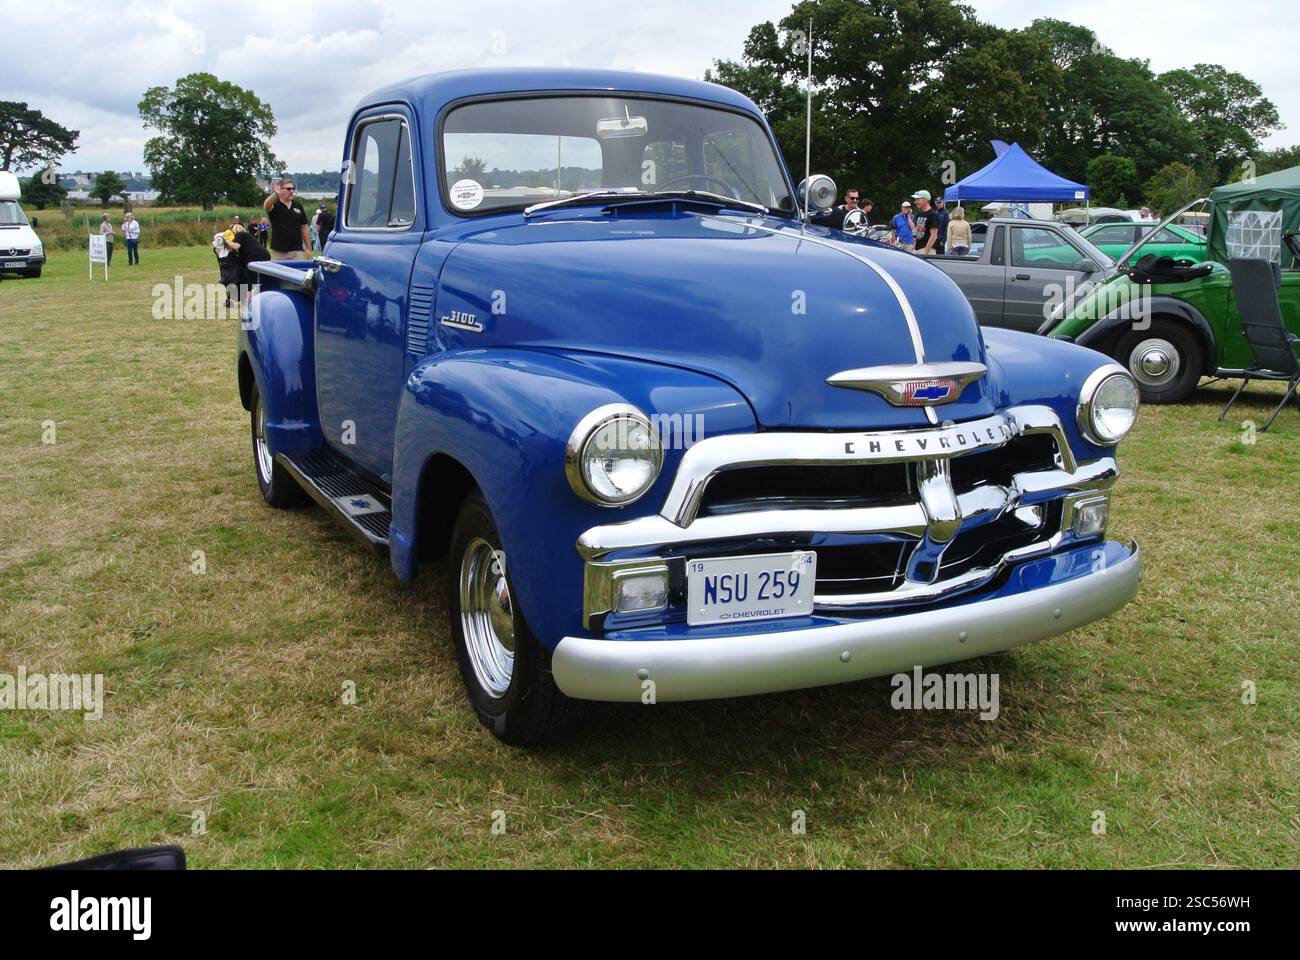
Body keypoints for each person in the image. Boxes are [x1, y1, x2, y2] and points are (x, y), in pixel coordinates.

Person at [262, 178, 311, 260]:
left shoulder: (298, 207)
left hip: (297, 251)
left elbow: (304, 228)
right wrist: (275, 194)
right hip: (279, 253)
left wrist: (308, 248)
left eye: (293, 188)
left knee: (299, 272)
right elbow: (266, 205)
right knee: (277, 273)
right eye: (288, 189)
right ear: (280, 190)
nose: (291, 191)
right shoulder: (275, 205)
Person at [223, 224, 271, 302]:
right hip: (264, 255)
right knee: (259, 278)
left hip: (255, 257)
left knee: (250, 278)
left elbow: (236, 246)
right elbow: (231, 248)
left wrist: (226, 240)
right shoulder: (246, 236)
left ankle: (249, 300)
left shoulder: (239, 234)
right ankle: (260, 297)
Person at [911, 190, 940, 255]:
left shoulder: (932, 214)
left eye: (918, 199)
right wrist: (907, 216)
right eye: (915, 200)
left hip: (927, 250)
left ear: (926, 200)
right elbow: (914, 229)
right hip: (917, 249)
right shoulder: (919, 214)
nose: (915, 202)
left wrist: (926, 251)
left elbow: (934, 235)